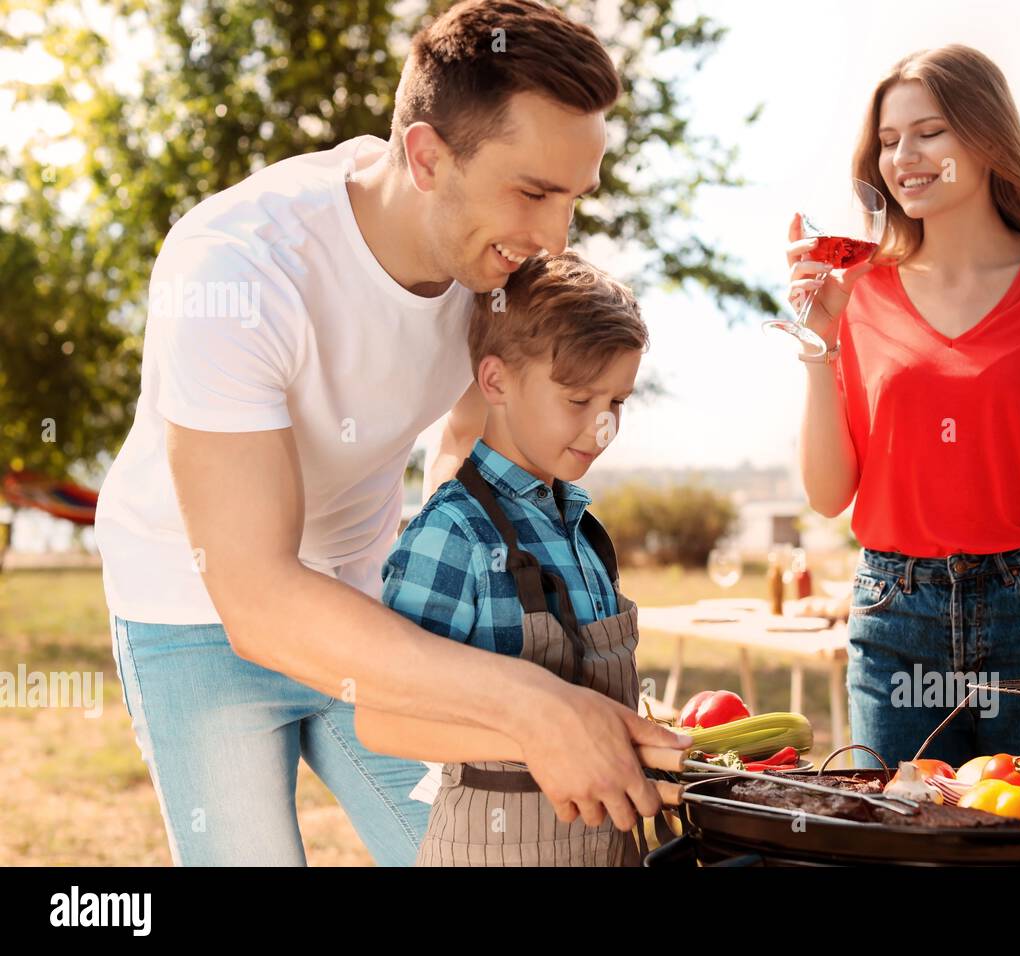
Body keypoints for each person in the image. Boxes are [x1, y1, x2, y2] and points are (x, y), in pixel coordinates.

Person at [94, 0, 687, 866]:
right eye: (532, 191)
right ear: (426, 156)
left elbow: (469, 445)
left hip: (374, 599)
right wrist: (533, 704)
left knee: (486, 851)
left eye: (572, 198)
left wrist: (471, 593)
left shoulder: (494, 269)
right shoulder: (235, 268)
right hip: (194, 609)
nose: (553, 237)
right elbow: (255, 597)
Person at [786, 45, 1020, 769]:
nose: (903, 156)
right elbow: (827, 496)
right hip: (895, 619)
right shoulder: (860, 291)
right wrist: (820, 344)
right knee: (896, 842)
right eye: (887, 140)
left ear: (985, 137)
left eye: (929, 132)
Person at [360, 251, 651, 866]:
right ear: (495, 382)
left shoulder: (581, 529)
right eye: (578, 401)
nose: (602, 428)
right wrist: (538, 734)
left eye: (617, 403)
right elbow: (385, 721)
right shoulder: (452, 534)